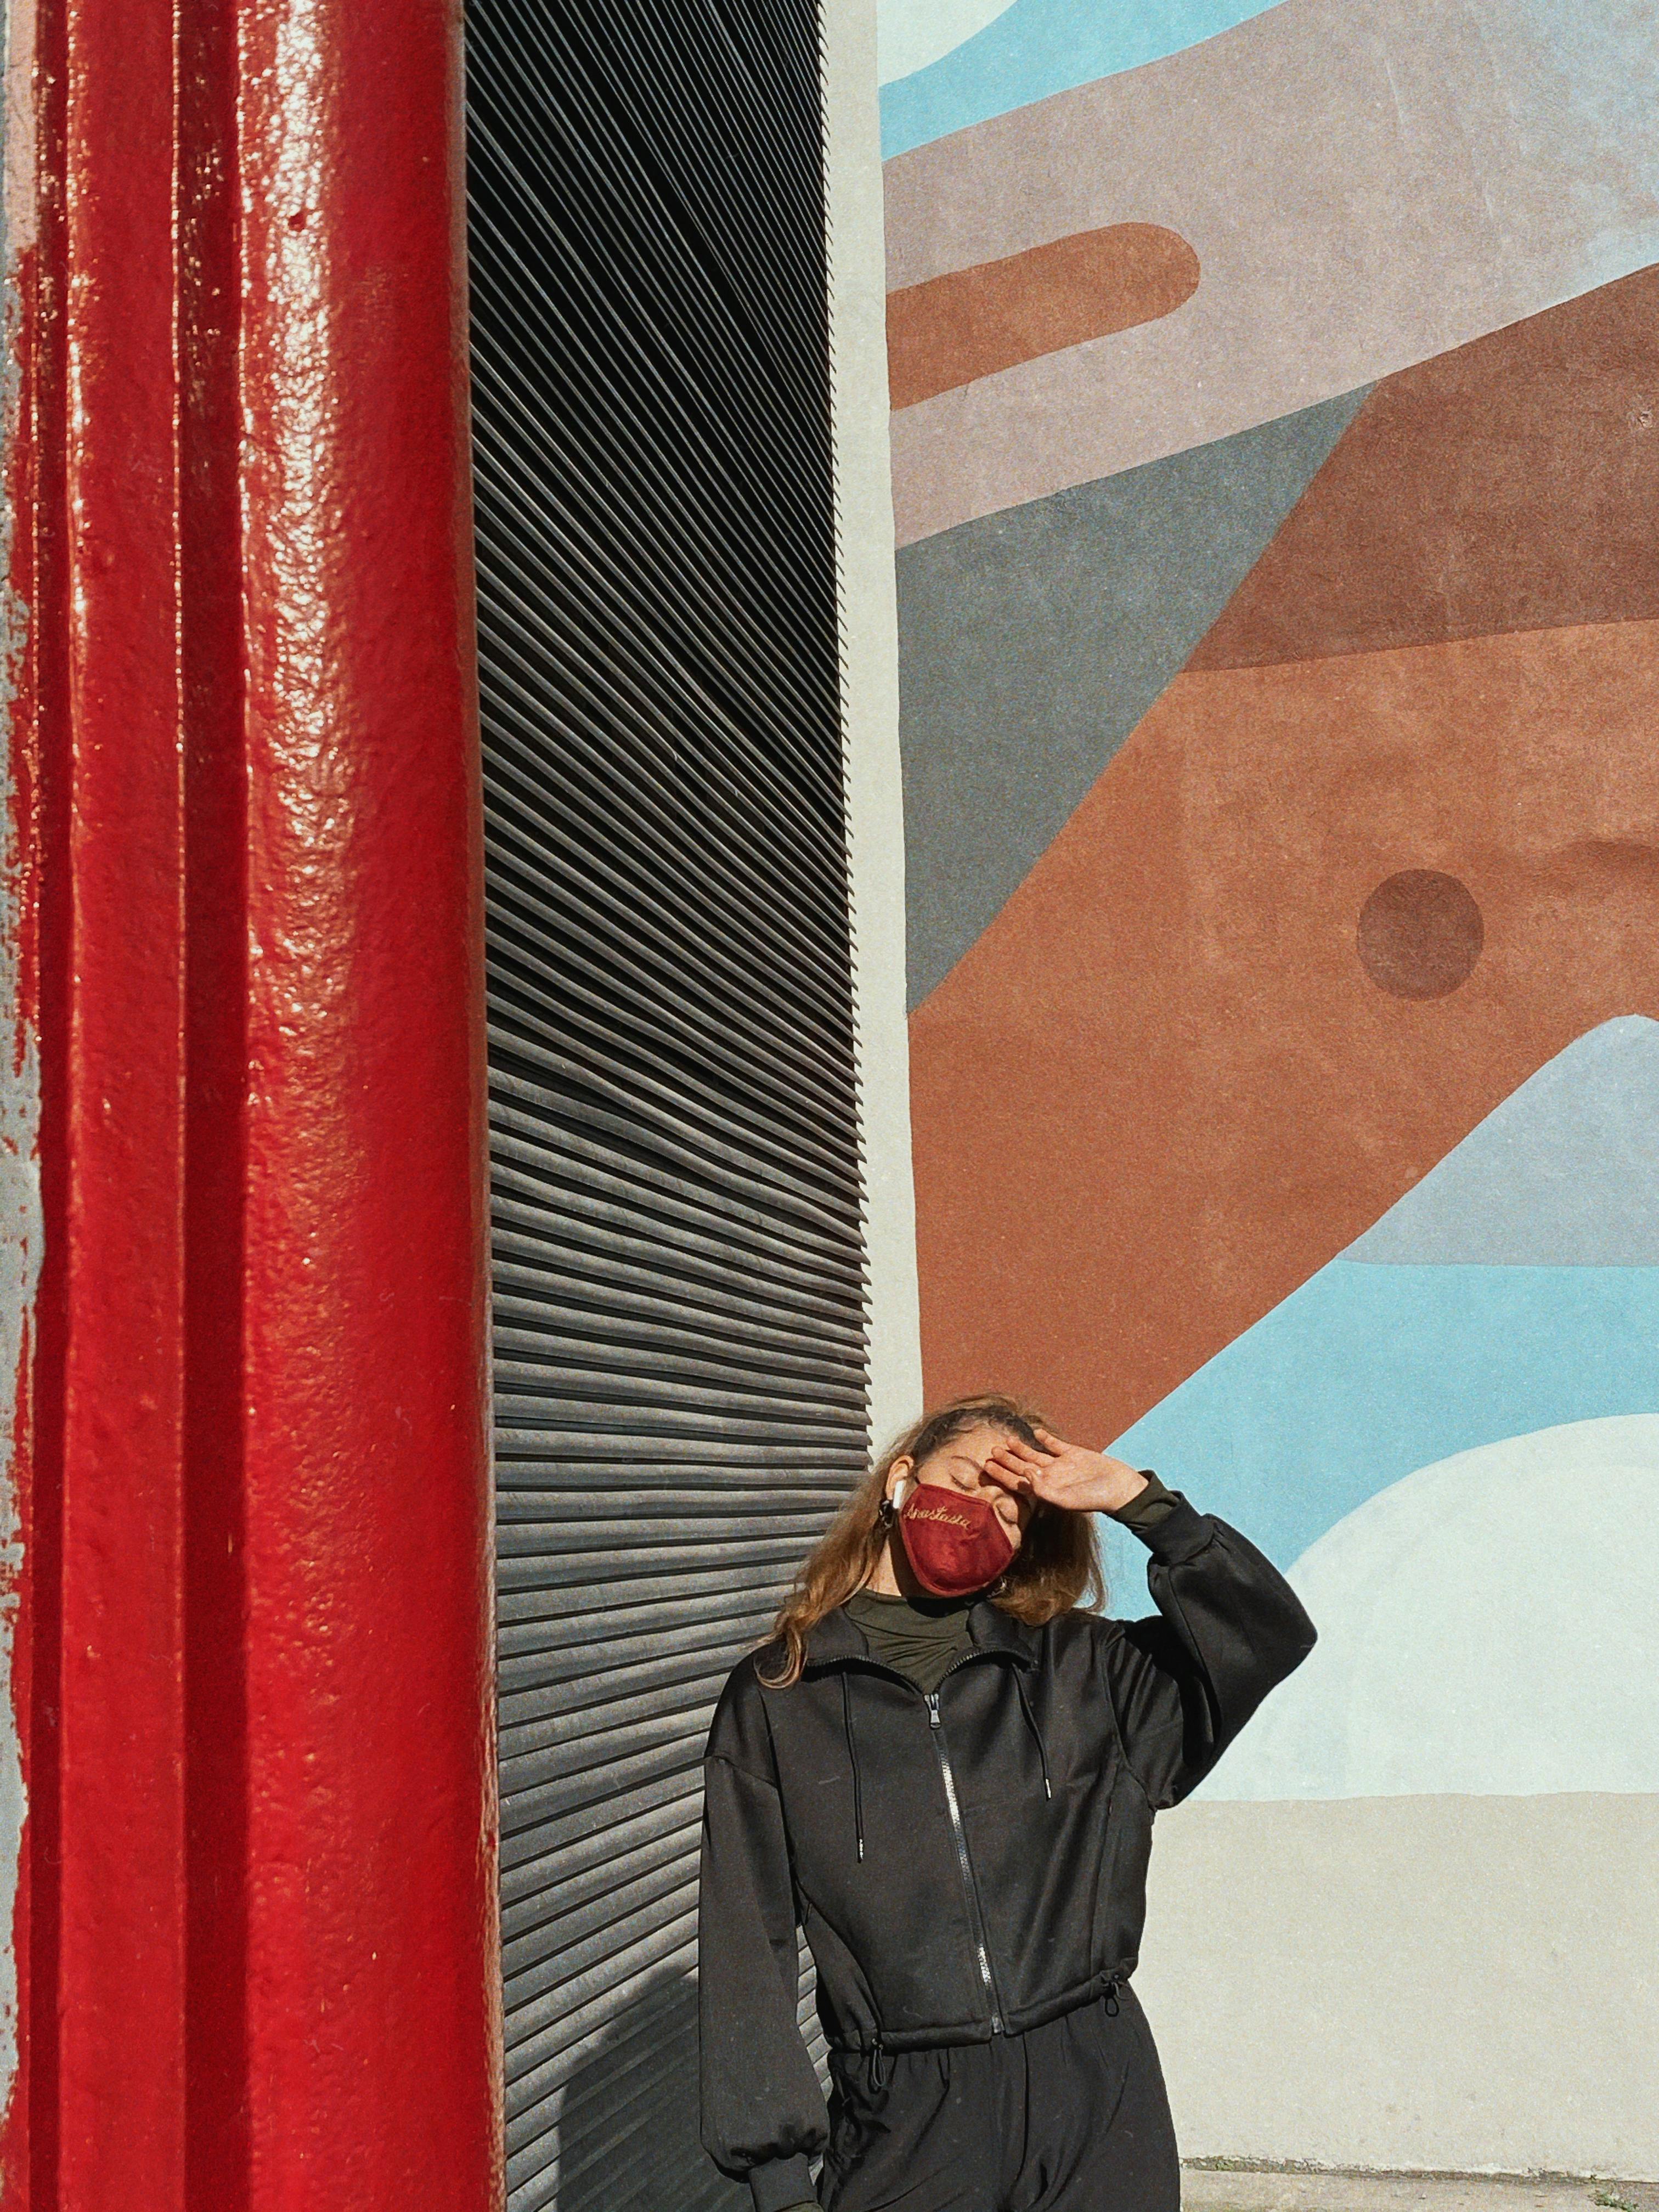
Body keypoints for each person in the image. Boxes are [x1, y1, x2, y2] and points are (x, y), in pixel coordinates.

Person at [696, 1392, 1317, 2212]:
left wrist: (1144, 1505)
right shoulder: (780, 1695)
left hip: (1095, 2093)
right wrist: (779, 2182)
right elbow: (746, 1941)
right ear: (902, 1480)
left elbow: (1268, 1637)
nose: (982, 1514)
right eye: (967, 1482)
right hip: (904, 2120)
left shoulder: (1083, 1669)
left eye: (1013, 1511)